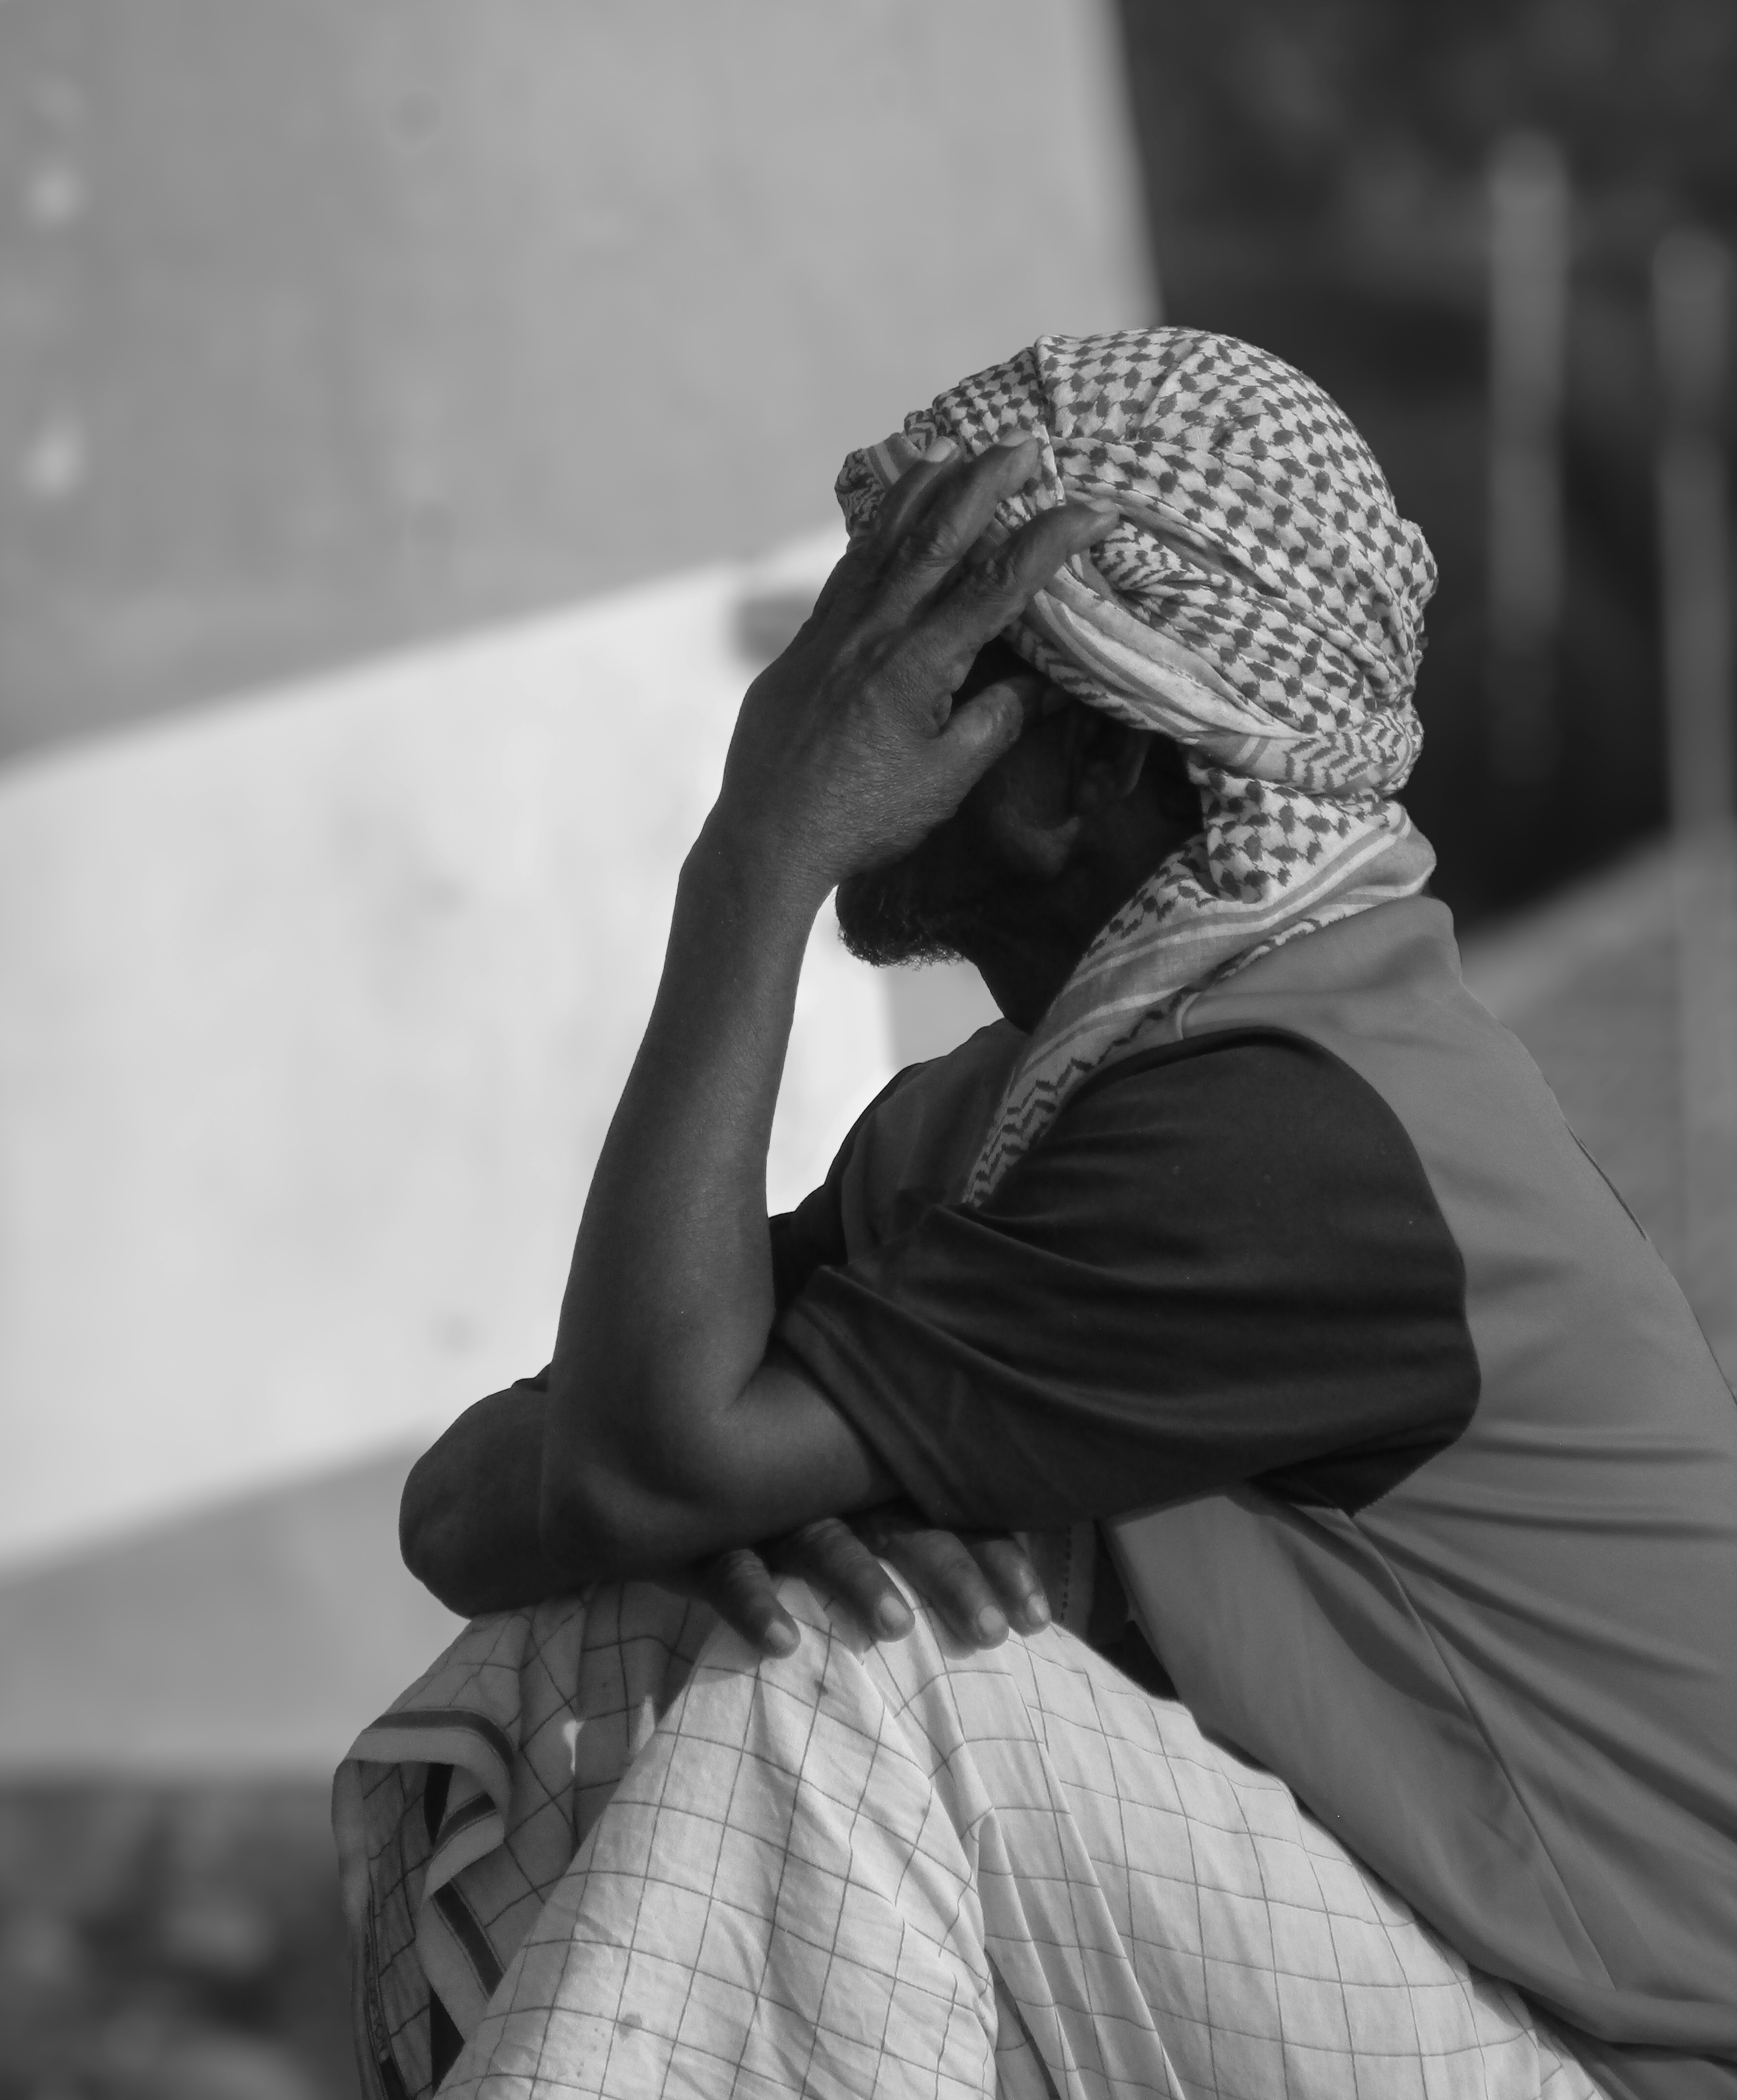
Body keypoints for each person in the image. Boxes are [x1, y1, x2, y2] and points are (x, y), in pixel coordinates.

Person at [334, 330, 1737, 2100]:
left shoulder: (1291, 1138)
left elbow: (634, 1462)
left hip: (1618, 2063)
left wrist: (757, 857)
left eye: (916, 664)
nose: (832, 712)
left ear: (1085, 758)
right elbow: (474, 1512)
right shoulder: (1011, 1119)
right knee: (602, 1640)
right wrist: (699, 1522)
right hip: (1379, 2005)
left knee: (852, 1685)